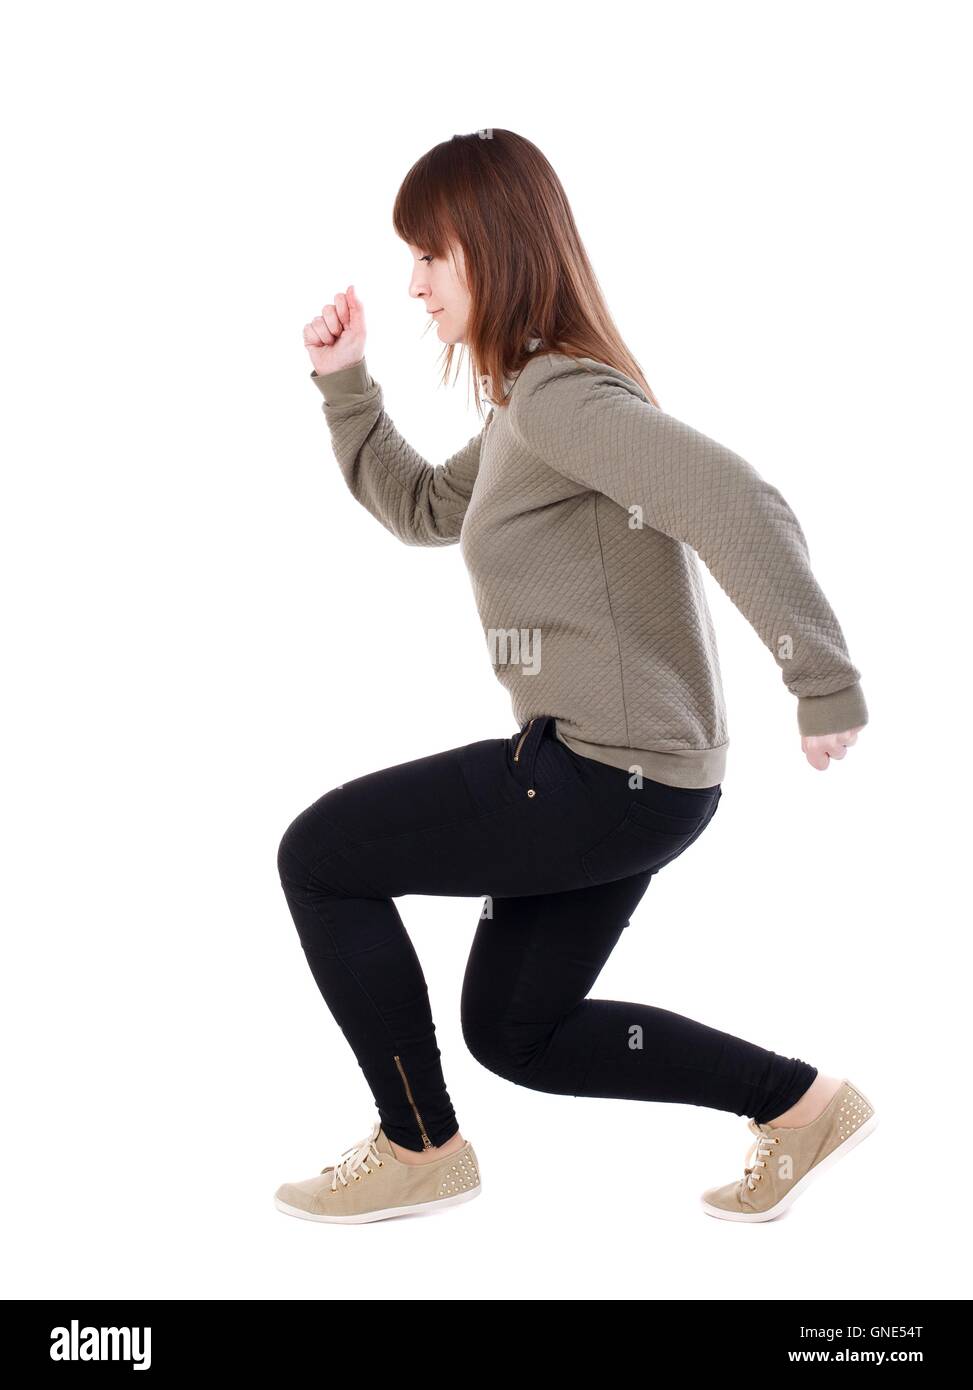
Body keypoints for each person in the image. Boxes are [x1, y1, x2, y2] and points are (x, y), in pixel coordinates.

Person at [274, 129, 877, 1226]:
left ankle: (417, 1142)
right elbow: (423, 508)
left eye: (430, 255)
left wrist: (818, 678)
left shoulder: (560, 398)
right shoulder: (525, 406)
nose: (412, 284)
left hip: (609, 778)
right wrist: (342, 385)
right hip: (638, 781)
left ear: (494, 249)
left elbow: (739, 502)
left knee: (320, 855)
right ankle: (797, 1105)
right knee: (517, 1031)